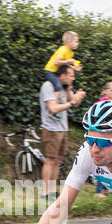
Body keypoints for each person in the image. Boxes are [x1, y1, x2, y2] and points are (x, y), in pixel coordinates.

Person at [38, 64, 85, 198]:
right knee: (50, 160)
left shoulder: (65, 88)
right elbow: (53, 108)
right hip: (51, 129)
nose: (73, 78)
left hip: (63, 128)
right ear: (62, 75)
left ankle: (52, 191)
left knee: (58, 160)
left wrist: (78, 96)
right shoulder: (49, 86)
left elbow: (74, 103)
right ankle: (44, 192)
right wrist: (71, 103)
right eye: (71, 75)